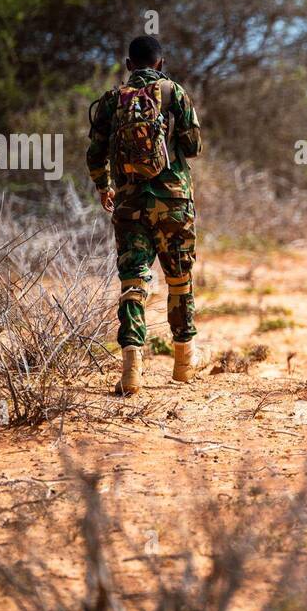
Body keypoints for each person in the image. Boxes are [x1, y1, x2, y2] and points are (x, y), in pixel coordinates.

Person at [87, 35, 206, 396]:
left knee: (134, 280)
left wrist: (104, 186)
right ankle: (183, 361)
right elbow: (193, 147)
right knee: (179, 278)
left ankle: (131, 369)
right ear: (160, 63)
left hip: (129, 203)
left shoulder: (112, 101)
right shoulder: (175, 92)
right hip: (173, 202)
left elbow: (95, 154)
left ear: (128, 66)